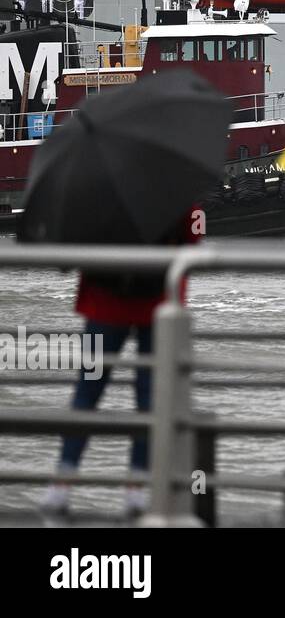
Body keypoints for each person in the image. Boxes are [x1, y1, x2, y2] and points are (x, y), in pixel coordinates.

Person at [41, 214, 199, 519]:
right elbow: (193, 237)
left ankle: (61, 484)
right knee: (148, 399)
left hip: (103, 302)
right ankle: (136, 491)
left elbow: (74, 243)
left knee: (86, 392)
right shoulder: (174, 188)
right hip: (158, 302)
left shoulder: (94, 191)